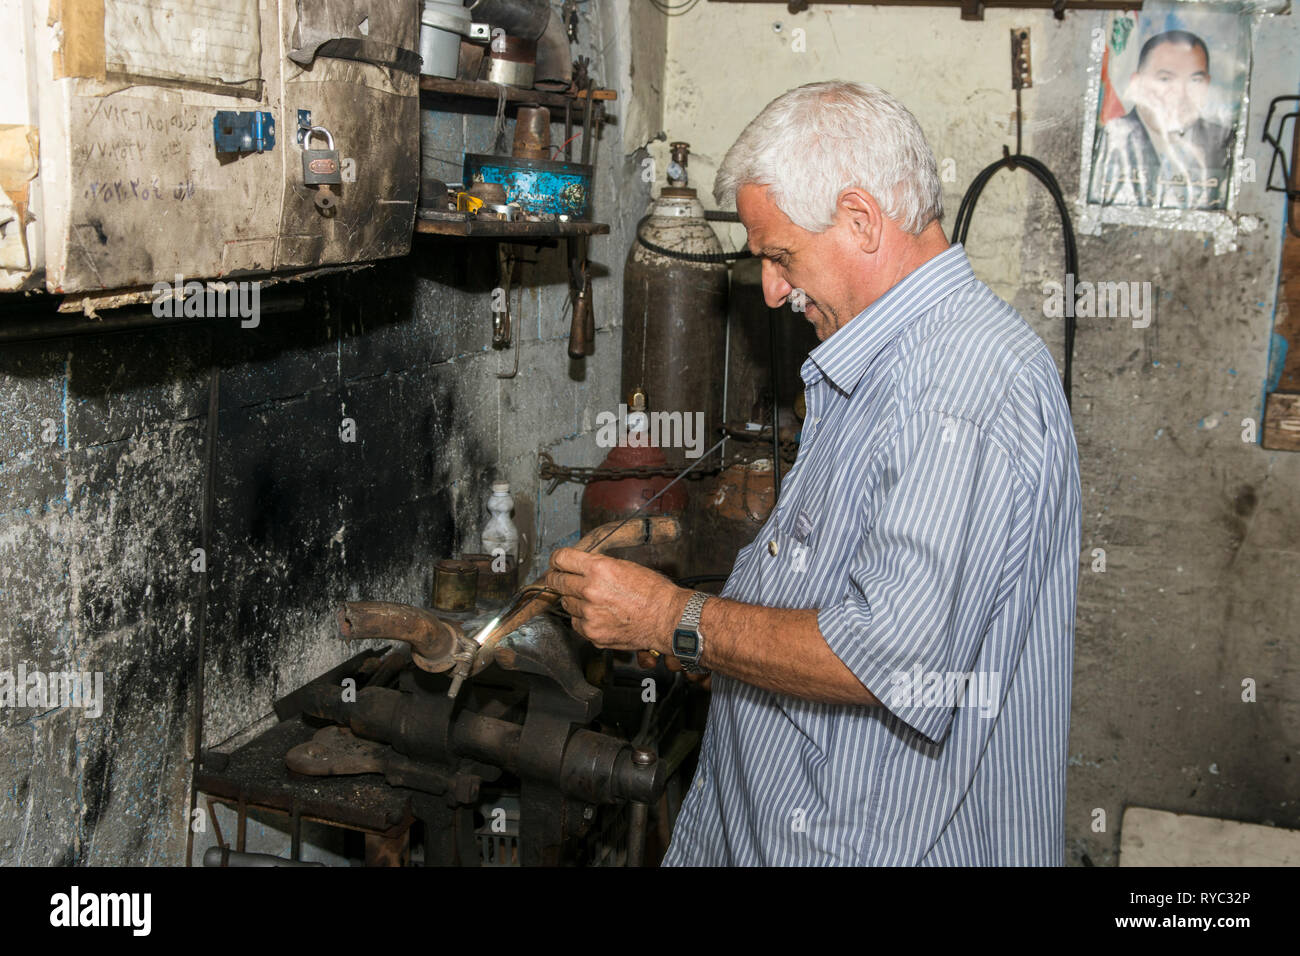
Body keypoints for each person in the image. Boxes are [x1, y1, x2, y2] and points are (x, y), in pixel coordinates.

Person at [546, 81, 1081, 865]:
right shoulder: (880, 359)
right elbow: (833, 582)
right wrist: (723, 639)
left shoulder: (959, 385)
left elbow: (887, 655)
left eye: (781, 255)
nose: (772, 289)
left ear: (861, 220)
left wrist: (673, 620)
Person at [1088, 29, 1233, 209]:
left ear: (1207, 84)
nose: (1181, 93)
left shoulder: (1225, 143)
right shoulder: (1107, 140)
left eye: (1195, 80)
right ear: (1137, 83)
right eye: (1165, 79)